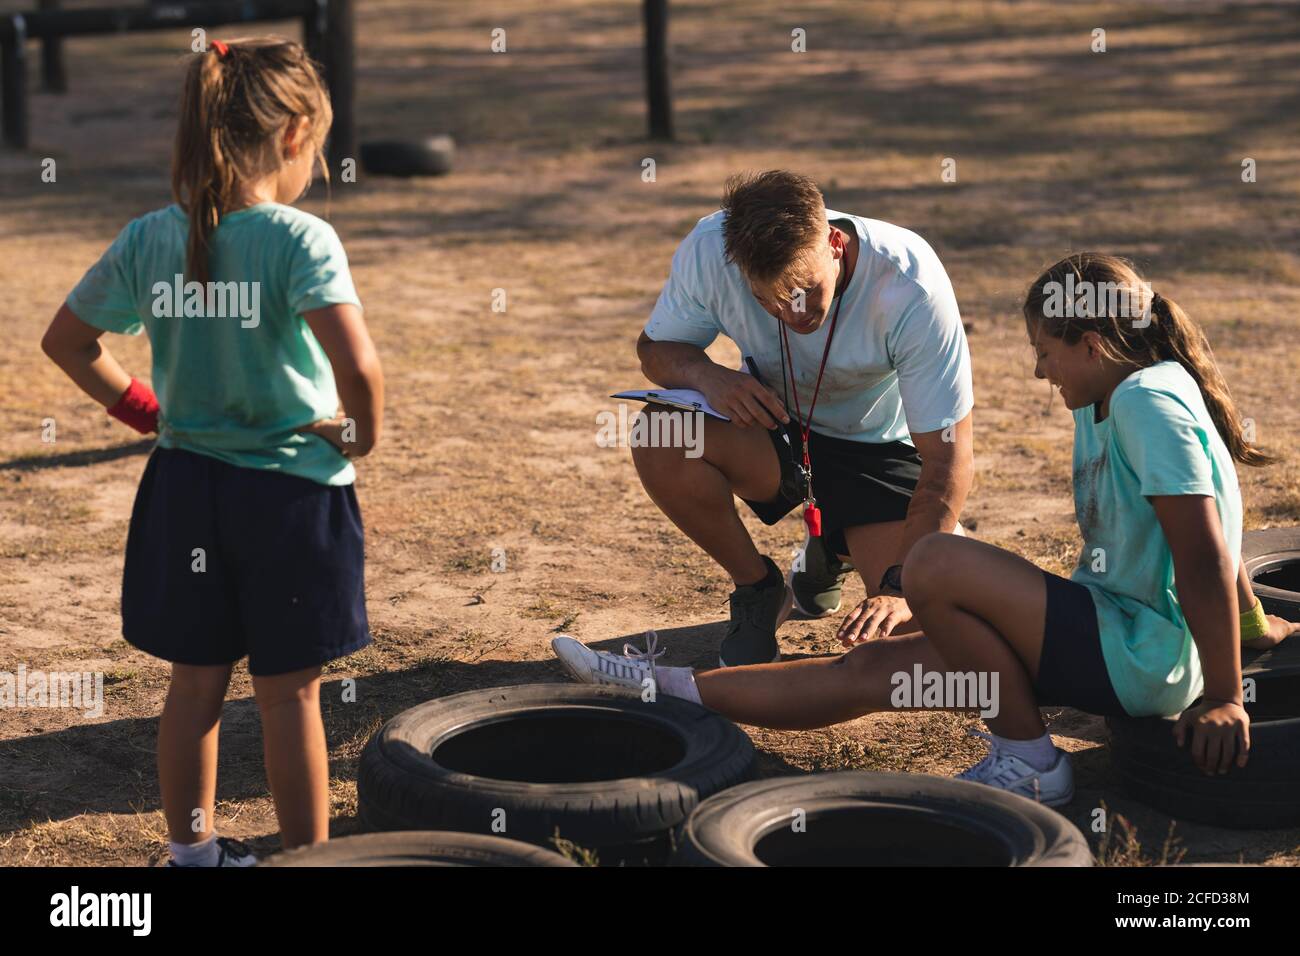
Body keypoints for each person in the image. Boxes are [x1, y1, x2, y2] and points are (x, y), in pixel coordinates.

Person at [555, 253, 1297, 805]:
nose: (1042, 373)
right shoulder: (1123, 396)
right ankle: (661, 686)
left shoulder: (1146, 403)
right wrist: (1257, 623)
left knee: (936, 562)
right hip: (1119, 642)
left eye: (1045, 352)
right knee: (873, 671)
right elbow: (1218, 538)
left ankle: (1030, 759)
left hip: (1139, 658)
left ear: (1093, 344)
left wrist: (1226, 695)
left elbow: (1202, 551)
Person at [40, 37, 383, 865]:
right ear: (297, 133)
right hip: (290, 498)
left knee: (192, 686)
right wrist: (357, 435)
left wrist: (145, 410)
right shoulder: (300, 240)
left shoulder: (149, 237)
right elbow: (359, 367)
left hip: (185, 488)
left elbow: (67, 341)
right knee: (290, 696)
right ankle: (305, 859)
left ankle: (192, 858)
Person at [631, 170, 973, 666]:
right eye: (766, 298)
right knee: (661, 430)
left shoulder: (910, 282)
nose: (791, 313)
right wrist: (710, 377)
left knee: (924, 636)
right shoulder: (710, 249)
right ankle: (759, 586)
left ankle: (829, 548)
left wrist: (900, 586)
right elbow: (656, 350)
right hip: (775, 431)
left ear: (835, 242)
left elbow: (947, 460)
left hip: (878, 454)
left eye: (806, 291)